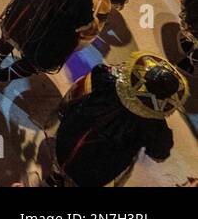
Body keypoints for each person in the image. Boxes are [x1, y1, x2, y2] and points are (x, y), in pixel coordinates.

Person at [48, 52, 182, 187]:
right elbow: (159, 153)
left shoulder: (106, 80)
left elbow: (89, 79)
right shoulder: (155, 126)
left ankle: (55, 176)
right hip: (96, 171)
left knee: (64, 154)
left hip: (67, 138)